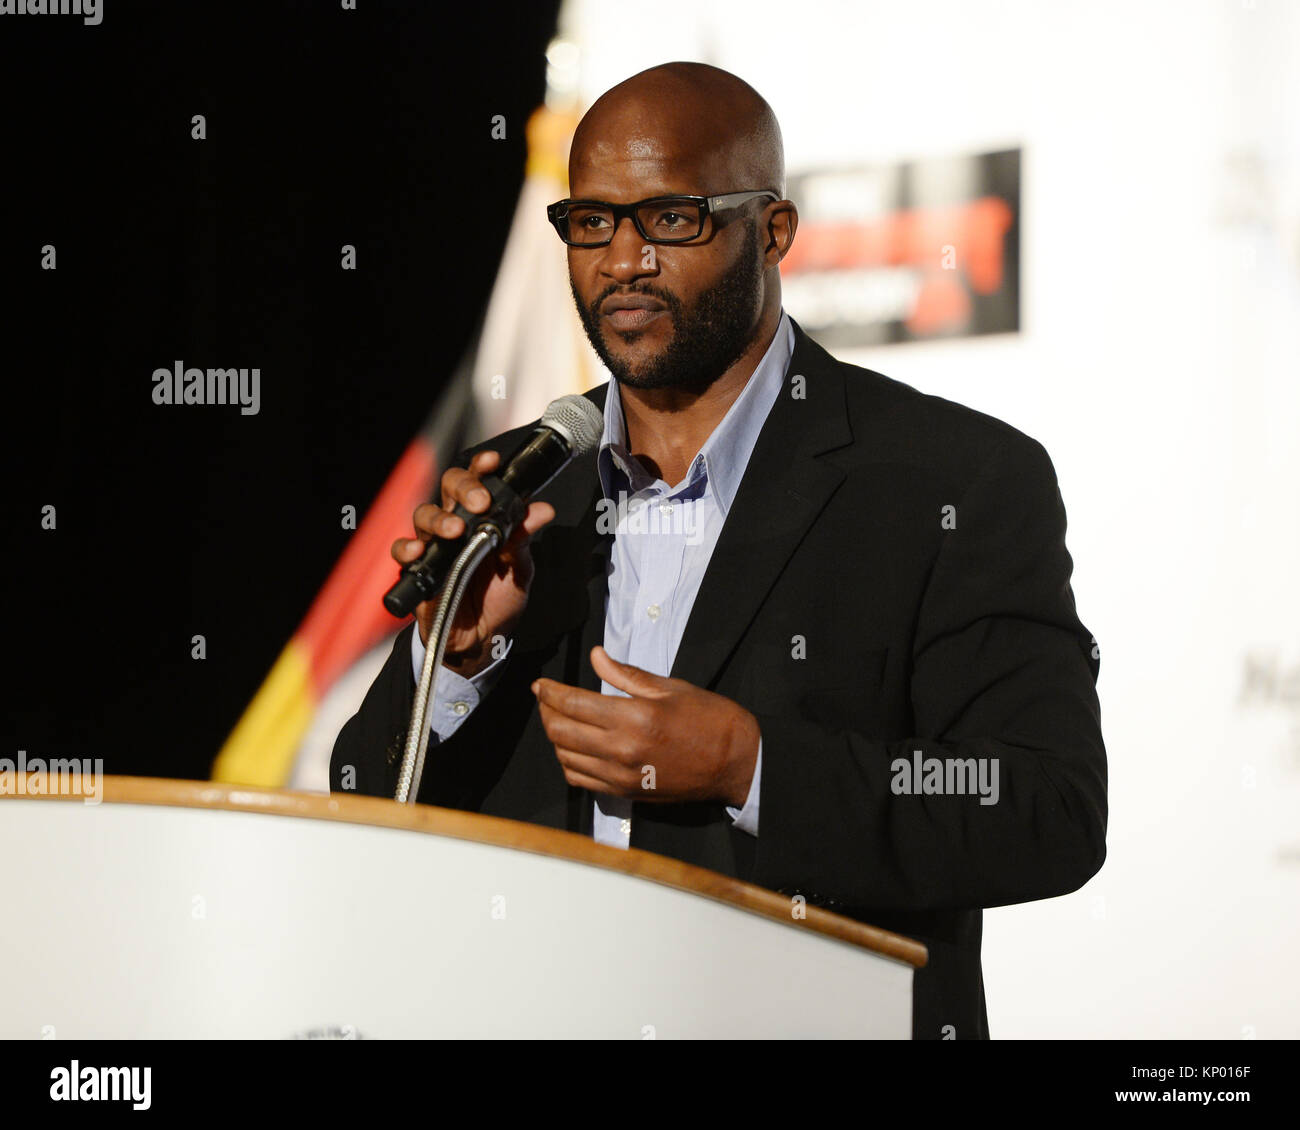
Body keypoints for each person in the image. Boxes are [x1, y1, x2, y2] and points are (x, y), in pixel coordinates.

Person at [331, 61, 1107, 1040]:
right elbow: (366, 798)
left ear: (772, 230)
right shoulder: (521, 491)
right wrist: (463, 658)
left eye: (672, 218)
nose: (622, 260)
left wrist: (753, 765)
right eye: (593, 222)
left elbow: (1046, 809)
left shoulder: (951, 480)